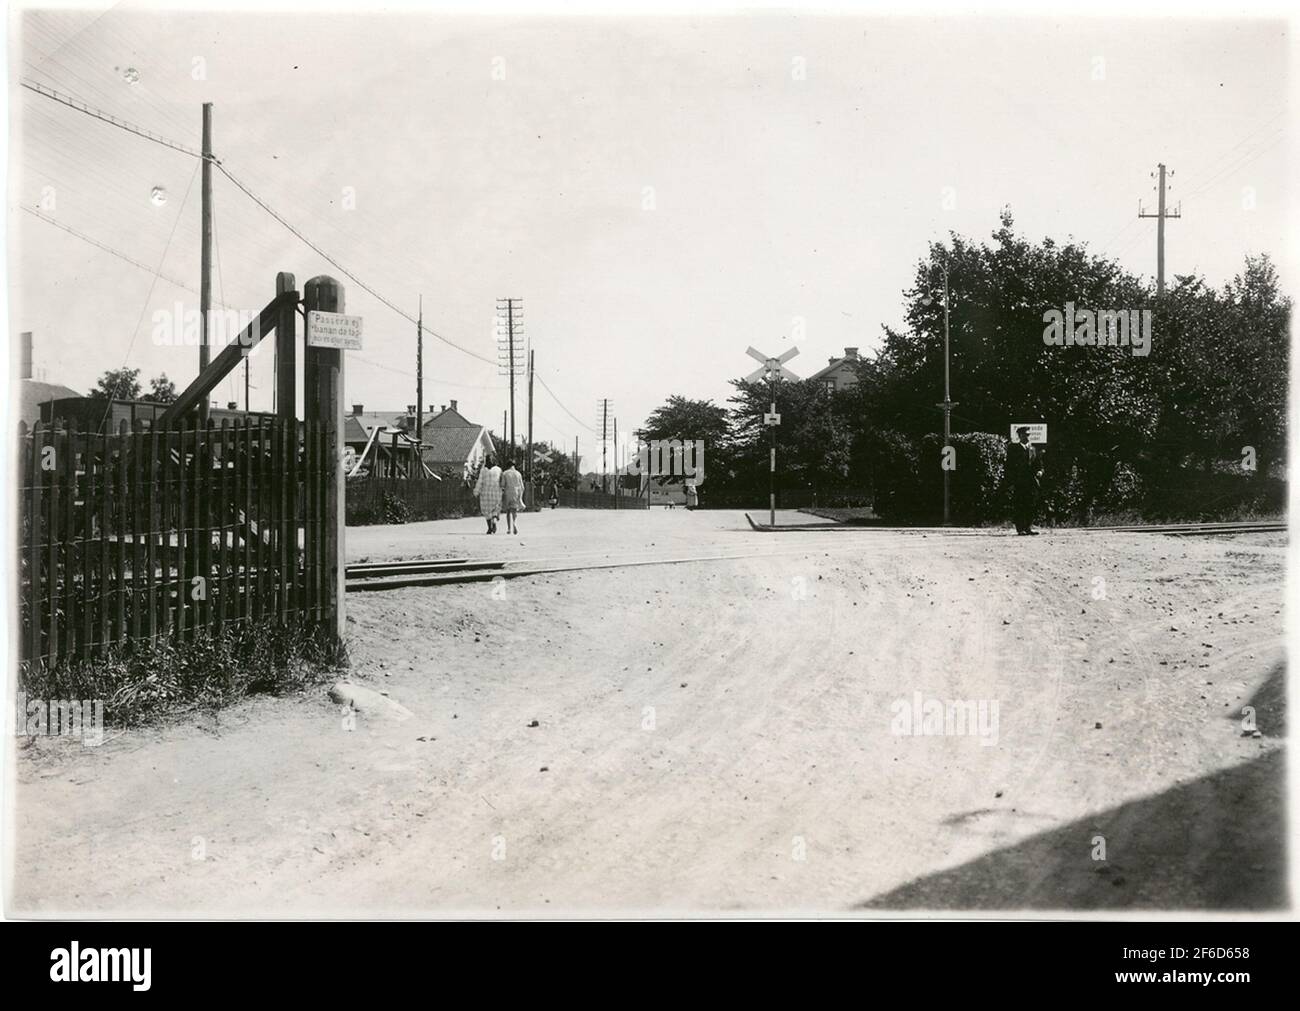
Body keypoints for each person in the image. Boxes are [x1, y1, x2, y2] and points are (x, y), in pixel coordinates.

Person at [1006, 427, 1043, 535]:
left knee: (1031, 504)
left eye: (1028, 435)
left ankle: (1028, 527)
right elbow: (1009, 466)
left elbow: (1039, 464)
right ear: (1019, 436)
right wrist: (1011, 481)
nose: (1026, 437)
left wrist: (1040, 471)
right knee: (1020, 503)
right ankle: (1020, 528)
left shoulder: (1033, 449)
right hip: (1019, 481)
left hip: (1031, 481)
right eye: (1024, 435)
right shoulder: (1013, 448)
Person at [473, 454, 503, 534]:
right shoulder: (498, 469)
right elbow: (501, 481)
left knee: (486, 511)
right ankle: (494, 522)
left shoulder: (483, 470)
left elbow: (480, 482)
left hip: (485, 494)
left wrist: (476, 492)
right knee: (495, 510)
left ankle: (490, 528)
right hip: (496, 493)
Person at [501, 456, 525, 534]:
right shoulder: (518, 473)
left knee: (508, 511)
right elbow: (522, 487)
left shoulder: (505, 473)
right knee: (514, 511)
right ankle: (514, 523)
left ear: (508, 466)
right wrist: (520, 496)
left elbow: (502, 484)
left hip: (508, 492)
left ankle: (508, 528)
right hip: (516, 492)